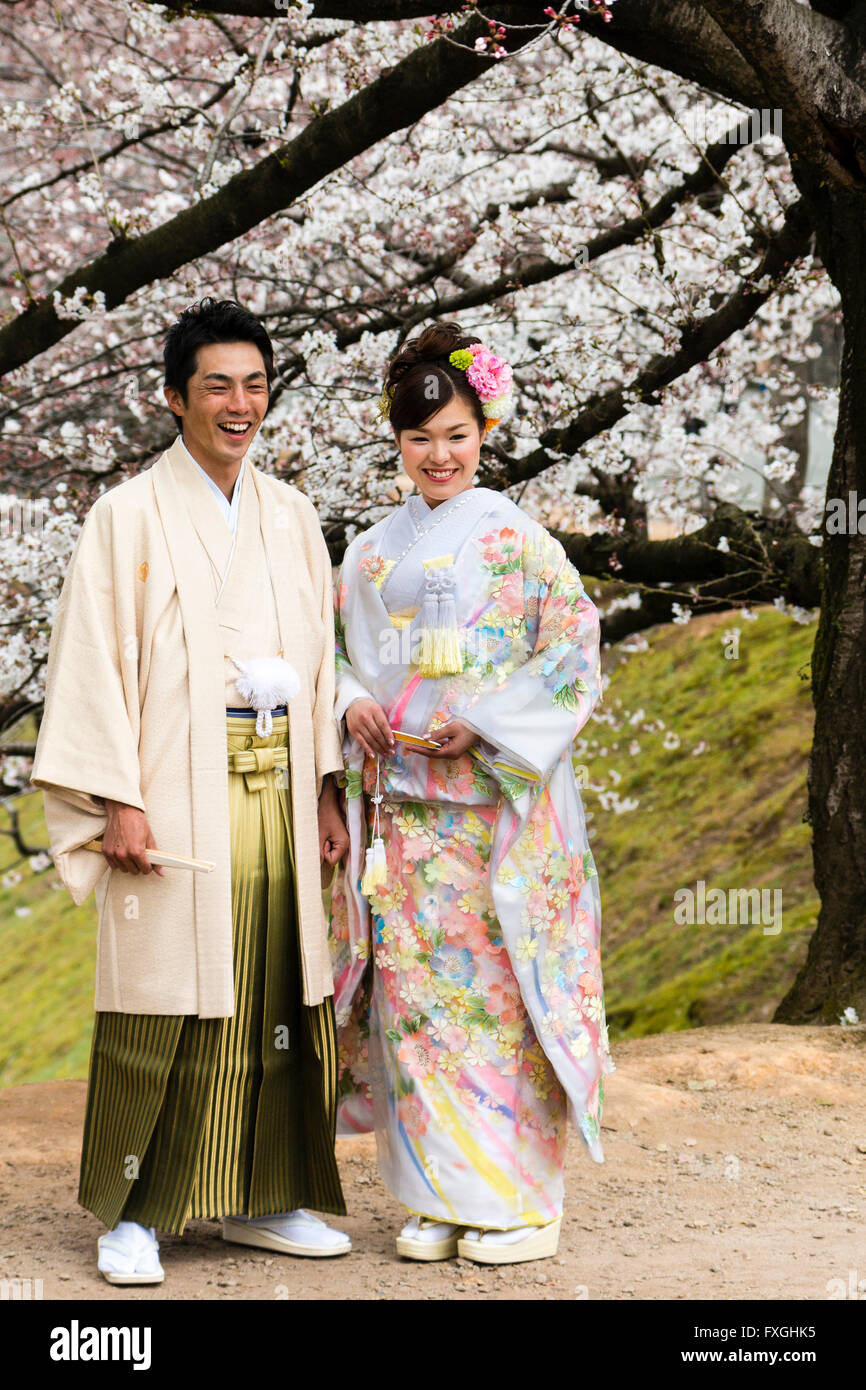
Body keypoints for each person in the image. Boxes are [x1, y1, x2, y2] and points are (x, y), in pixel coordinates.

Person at [30, 297, 352, 1285]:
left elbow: (319, 662)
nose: (238, 402)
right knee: (164, 1001)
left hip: (278, 783)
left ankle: (264, 1194)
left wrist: (329, 791)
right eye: (217, 383)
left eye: (254, 384)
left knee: (271, 987)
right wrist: (114, 796)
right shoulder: (125, 515)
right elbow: (91, 667)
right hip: (172, 793)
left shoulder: (289, 515)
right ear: (175, 397)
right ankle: (134, 1212)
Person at [328, 320, 615, 1266]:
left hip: (493, 809)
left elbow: (575, 650)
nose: (438, 455)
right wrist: (353, 700)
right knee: (418, 1002)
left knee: (499, 997)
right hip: (404, 815)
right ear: (397, 445)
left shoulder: (519, 541)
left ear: (482, 430)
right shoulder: (369, 551)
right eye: (418, 441)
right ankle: (436, 1196)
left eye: (455, 435)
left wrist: (487, 724)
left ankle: (522, 1202)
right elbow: (332, 655)